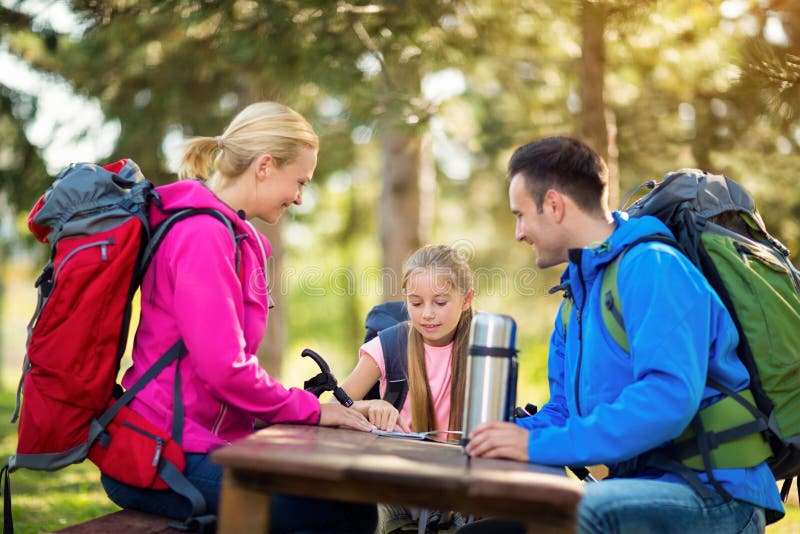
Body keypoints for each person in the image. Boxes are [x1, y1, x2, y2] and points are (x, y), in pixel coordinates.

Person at [462, 136, 784, 533]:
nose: (518, 233)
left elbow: (667, 398)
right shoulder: (574, 300)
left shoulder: (652, 267)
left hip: (715, 495)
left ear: (554, 205)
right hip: (642, 486)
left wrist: (532, 446)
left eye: (520, 215)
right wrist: (497, 437)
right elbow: (563, 412)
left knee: (578, 512)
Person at [100, 101, 378, 533]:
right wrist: (310, 410)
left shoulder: (233, 236)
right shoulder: (201, 235)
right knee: (339, 514)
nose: (301, 197)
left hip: (206, 443)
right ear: (265, 166)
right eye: (300, 181)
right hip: (161, 455)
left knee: (345, 499)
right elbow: (224, 370)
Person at [337, 244, 474, 531]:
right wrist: (368, 405)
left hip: (460, 489)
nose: (427, 314)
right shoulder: (388, 346)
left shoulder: (483, 350)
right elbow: (334, 408)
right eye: (415, 303)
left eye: (440, 302)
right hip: (395, 485)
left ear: (466, 300)